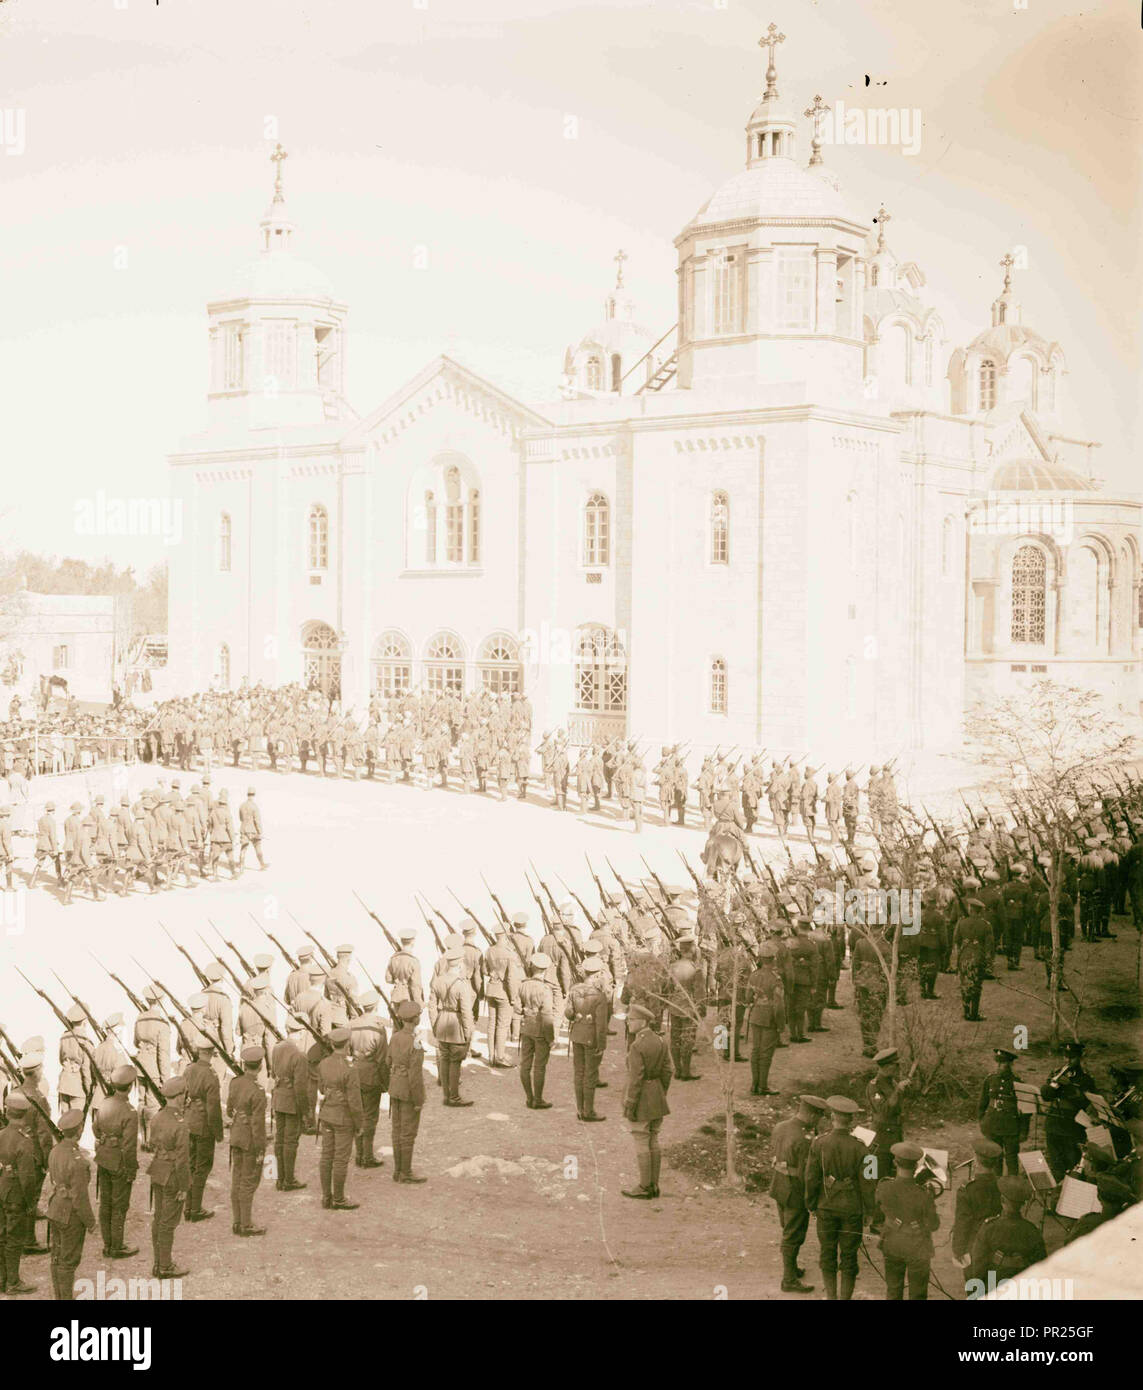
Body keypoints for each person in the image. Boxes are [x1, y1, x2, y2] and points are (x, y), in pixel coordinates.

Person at [804, 1094, 871, 1301]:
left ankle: (831, 1297)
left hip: (826, 1207)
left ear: (832, 1116)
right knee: (850, 1256)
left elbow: (810, 1178)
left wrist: (811, 1204)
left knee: (827, 1252)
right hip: (852, 1209)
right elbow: (870, 1183)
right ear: (851, 1120)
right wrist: (870, 1212)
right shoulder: (863, 1147)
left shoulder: (818, 1143)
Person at [769, 1095, 828, 1293]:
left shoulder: (781, 1126)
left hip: (779, 1184)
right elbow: (807, 1175)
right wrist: (813, 1198)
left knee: (787, 1229)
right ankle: (789, 1280)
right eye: (819, 1117)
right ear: (812, 1115)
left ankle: (792, 1268)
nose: (819, 1121)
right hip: (795, 1190)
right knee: (793, 1235)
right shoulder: (804, 1139)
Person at [875, 1140, 939, 1300]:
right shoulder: (924, 1193)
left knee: (893, 1289)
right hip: (918, 1247)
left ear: (894, 1163)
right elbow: (934, 1225)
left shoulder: (884, 1187)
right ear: (917, 1166)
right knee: (918, 1292)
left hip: (893, 1243)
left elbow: (878, 1208)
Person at [622, 1003, 673, 1200]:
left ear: (642, 1022)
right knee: (653, 1138)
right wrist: (661, 1091)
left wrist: (630, 1103)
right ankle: (654, 1186)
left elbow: (635, 1079)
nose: (628, 1023)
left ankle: (644, 1186)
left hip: (641, 1098)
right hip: (657, 1096)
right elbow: (669, 1070)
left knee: (641, 1139)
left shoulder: (637, 1046)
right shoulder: (660, 1041)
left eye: (631, 1020)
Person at [46, 1107, 96, 1300]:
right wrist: (90, 1222)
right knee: (69, 1260)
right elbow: (80, 1199)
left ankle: (60, 1296)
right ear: (80, 1130)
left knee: (57, 1256)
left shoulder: (55, 1151)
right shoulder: (78, 1161)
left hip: (55, 1208)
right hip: (70, 1215)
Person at [967, 1176, 1046, 1295]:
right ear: (1023, 1204)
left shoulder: (989, 1227)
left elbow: (979, 1265)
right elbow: (1041, 1264)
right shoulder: (1032, 1230)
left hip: (995, 1281)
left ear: (1002, 1200)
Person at [92, 1063, 140, 1260]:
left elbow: (95, 1129)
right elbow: (129, 1146)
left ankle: (107, 1244)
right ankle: (117, 1246)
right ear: (130, 1086)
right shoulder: (130, 1111)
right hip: (119, 1161)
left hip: (104, 1157)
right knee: (119, 1205)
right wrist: (130, 1169)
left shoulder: (104, 1103)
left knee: (105, 1203)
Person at [147, 1074, 191, 1281]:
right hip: (173, 1175)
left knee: (158, 1218)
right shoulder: (180, 1124)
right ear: (180, 1096)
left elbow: (152, 1143)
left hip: (158, 1170)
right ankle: (165, 1265)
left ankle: (158, 1262)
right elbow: (182, 1160)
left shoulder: (157, 1117)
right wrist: (184, 1186)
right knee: (168, 1222)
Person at [316, 1028, 364, 1209]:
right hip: (343, 1118)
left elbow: (321, 1089)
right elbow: (355, 1102)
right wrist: (359, 1124)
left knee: (327, 1156)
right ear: (346, 1045)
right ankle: (339, 1198)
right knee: (341, 1159)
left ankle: (326, 1197)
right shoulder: (350, 1069)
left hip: (327, 1115)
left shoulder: (323, 1064)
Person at [1039, 1040, 1097, 1183]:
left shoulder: (1086, 1078)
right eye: (1066, 1057)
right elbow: (1046, 1096)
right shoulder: (1056, 1072)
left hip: (1072, 1126)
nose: (1068, 1060)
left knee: (1072, 1163)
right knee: (1055, 1162)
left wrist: (1070, 1087)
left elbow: (1086, 1102)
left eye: (1072, 1057)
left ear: (1079, 1058)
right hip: (1054, 1123)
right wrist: (1052, 1085)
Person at [183, 1033, 224, 1222]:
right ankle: (196, 1209)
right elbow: (213, 1108)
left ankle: (189, 1207)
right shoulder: (211, 1075)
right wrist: (218, 1132)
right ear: (212, 1052)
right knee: (202, 1167)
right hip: (204, 1125)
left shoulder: (189, 1069)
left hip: (190, 1121)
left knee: (191, 1165)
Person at [0, 1093, 38, 1296]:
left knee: (1, 1236)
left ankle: (2, 1278)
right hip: (16, 1195)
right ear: (24, 1115)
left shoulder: (1, 1134)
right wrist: (31, 1203)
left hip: (2, 1189)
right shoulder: (24, 1141)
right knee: (14, 1240)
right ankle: (13, 1282)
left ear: (7, 1112)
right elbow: (28, 1178)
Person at [227, 1045, 267, 1236]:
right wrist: (261, 1149)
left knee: (237, 1179)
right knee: (249, 1181)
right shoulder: (258, 1091)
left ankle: (237, 1222)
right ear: (260, 1066)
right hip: (250, 1140)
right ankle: (246, 1225)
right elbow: (258, 1126)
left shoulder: (235, 1083)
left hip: (236, 1136)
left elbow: (229, 1110)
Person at [429, 947, 475, 1108]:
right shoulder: (461, 984)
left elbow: (432, 1007)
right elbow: (466, 1012)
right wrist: (469, 1033)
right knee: (455, 1062)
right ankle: (454, 1097)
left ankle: (447, 1096)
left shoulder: (438, 980)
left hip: (442, 1023)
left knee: (444, 1059)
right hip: (456, 1025)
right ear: (460, 963)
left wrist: (435, 1026)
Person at [951, 1138, 1004, 1278]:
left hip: (974, 1244)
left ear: (976, 1161)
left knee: (975, 1286)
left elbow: (962, 1223)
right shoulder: (1002, 1185)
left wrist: (958, 1249)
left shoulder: (967, 1189)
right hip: (997, 1242)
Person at [270, 1014, 311, 1192]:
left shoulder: (277, 1048)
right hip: (292, 1102)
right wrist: (306, 1111)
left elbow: (273, 1073)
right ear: (302, 1032)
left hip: (278, 1099)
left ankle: (279, 1179)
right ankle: (288, 1180)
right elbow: (301, 1089)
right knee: (290, 1141)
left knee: (280, 1139)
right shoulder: (299, 1056)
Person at [389, 1001, 428, 1183]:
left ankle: (398, 1170)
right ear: (416, 1019)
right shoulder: (416, 1042)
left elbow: (388, 1062)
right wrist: (419, 1100)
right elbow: (415, 1075)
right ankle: (406, 1172)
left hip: (395, 1087)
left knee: (397, 1130)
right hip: (407, 1091)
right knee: (408, 1133)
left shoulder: (395, 1037)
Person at [565, 956, 608, 1121]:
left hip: (577, 1035)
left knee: (579, 1073)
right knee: (590, 1074)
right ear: (596, 975)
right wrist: (601, 1044)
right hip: (592, 1038)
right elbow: (602, 1025)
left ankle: (580, 1109)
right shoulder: (599, 995)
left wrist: (576, 1016)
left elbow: (568, 1013)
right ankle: (588, 1111)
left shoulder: (574, 990)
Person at [745, 944, 785, 1096]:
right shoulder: (776, 979)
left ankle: (754, 1085)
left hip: (755, 1016)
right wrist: (781, 1025)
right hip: (770, 1019)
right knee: (766, 1053)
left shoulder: (754, 975)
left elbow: (747, 998)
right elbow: (779, 1005)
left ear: (761, 959)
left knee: (756, 1050)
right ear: (773, 959)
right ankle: (763, 1086)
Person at [518, 952, 556, 1110]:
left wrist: (526, 1012)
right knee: (539, 1066)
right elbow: (547, 1015)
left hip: (527, 1028)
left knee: (525, 1065)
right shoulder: (545, 988)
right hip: (540, 1030)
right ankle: (538, 1100)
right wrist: (551, 1037)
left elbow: (516, 1007)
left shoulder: (523, 985)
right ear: (545, 969)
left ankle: (529, 1098)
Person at [978, 1048, 1022, 1176]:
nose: (998, 1066)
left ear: (1010, 1064)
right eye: (997, 1063)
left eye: (1002, 1063)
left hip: (1011, 1127)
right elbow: (982, 1103)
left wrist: (1023, 1130)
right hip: (992, 1125)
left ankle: (1012, 1188)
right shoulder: (990, 1079)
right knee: (994, 1157)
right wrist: (982, 1121)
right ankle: (996, 1187)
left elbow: (1025, 1109)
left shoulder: (1017, 1082)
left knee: (1011, 1159)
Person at [237, 787, 268, 870]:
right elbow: (257, 820)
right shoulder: (255, 807)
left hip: (243, 829)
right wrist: (260, 831)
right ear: (254, 795)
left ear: (247, 794)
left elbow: (240, 818)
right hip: (253, 830)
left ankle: (241, 865)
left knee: (243, 848)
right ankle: (262, 864)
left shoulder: (242, 805)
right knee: (257, 848)